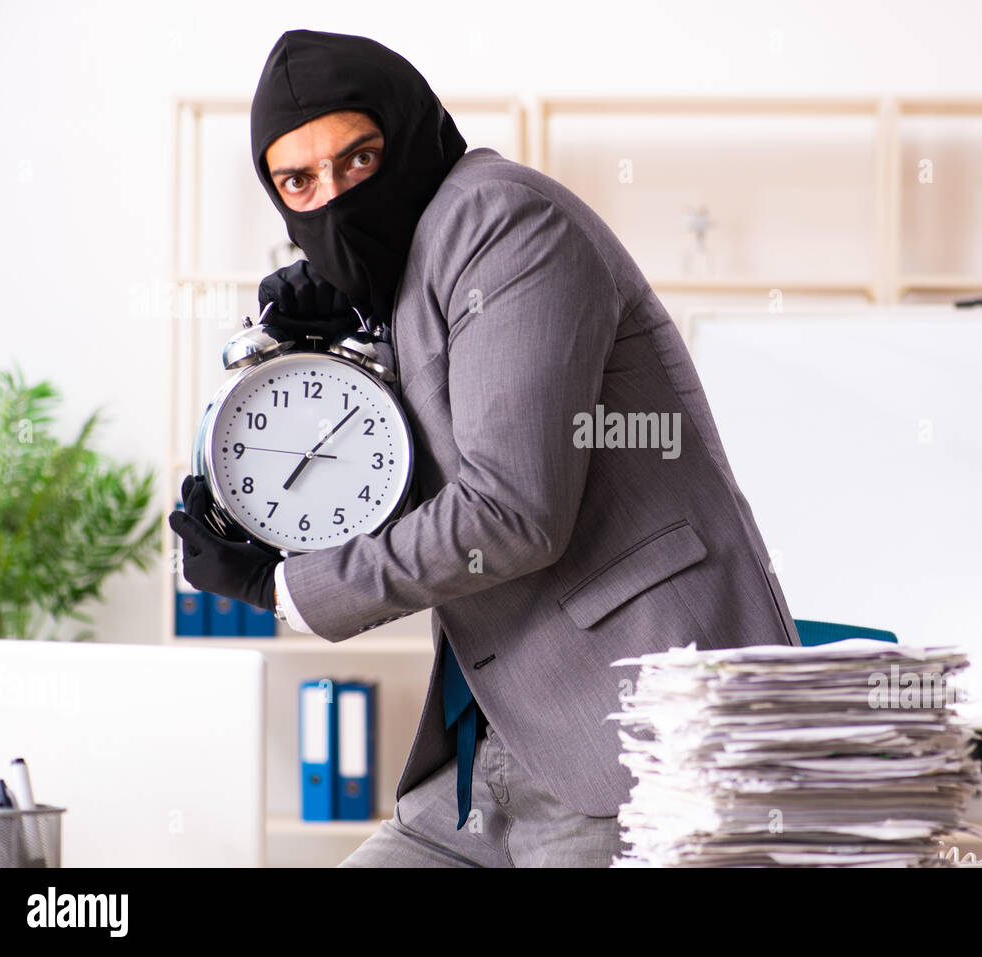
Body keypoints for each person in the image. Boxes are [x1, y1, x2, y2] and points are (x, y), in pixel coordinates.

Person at [168, 28, 800, 868]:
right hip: (483, 757)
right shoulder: (419, 261)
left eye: (360, 160)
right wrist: (364, 328)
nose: (335, 199)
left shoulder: (504, 219)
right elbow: (412, 453)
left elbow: (510, 512)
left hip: (631, 738)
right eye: (300, 181)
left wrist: (283, 586)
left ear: (413, 129)